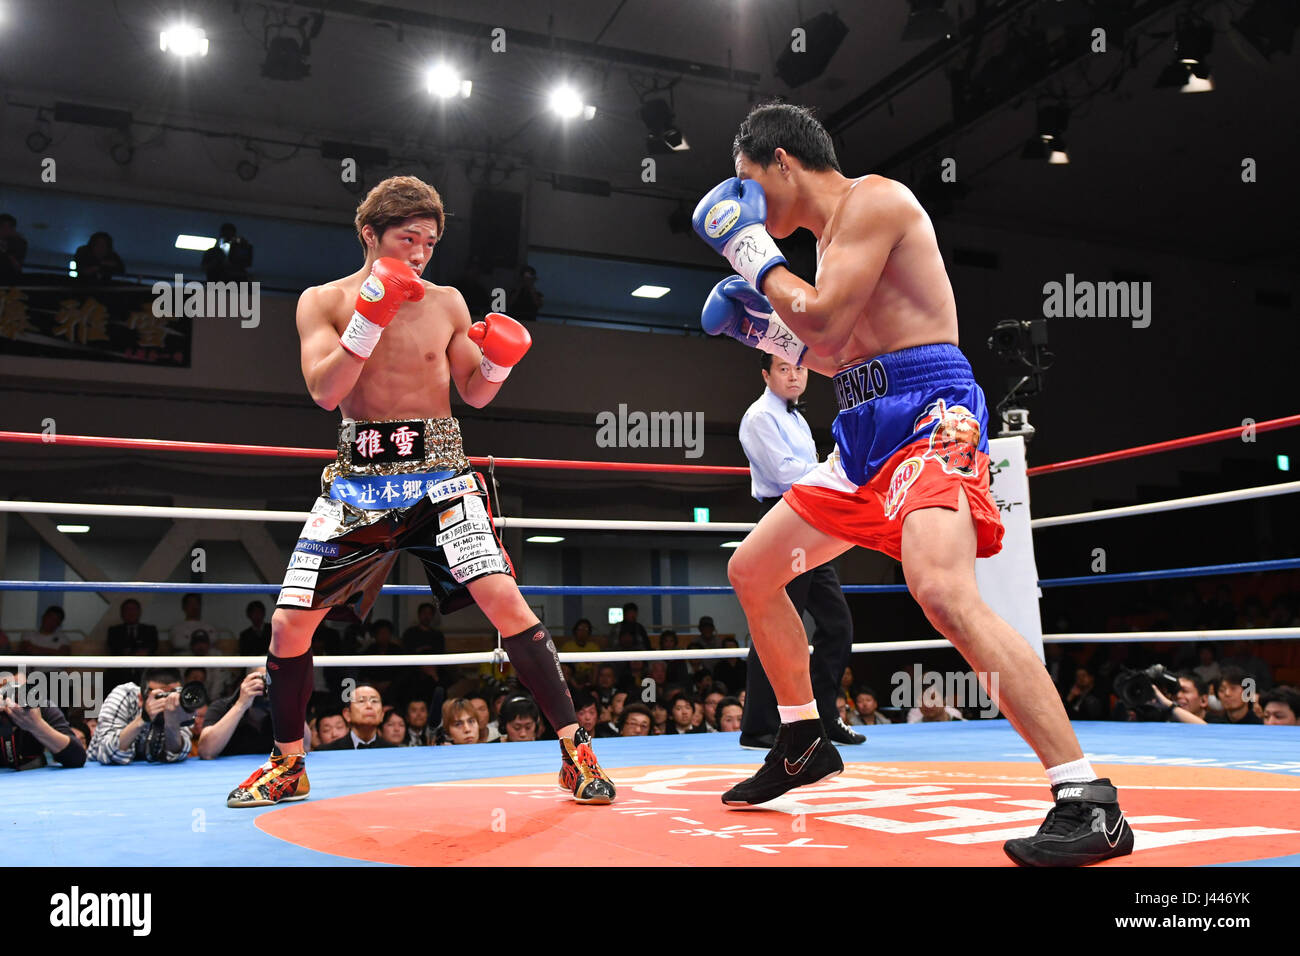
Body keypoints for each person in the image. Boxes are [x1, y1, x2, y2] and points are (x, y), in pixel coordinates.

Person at [691, 101, 1131, 866]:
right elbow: (838, 354)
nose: (742, 201)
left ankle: (1087, 800)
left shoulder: (877, 201)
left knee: (942, 591)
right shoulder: (830, 242)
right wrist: (761, 330)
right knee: (753, 571)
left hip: (932, 414)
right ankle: (801, 738)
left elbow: (824, 324)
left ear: (782, 163)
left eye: (746, 182)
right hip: (862, 430)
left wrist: (750, 254)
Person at [225, 176, 612, 808]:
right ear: (369, 234)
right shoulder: (322, 301)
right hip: (360, 481)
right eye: (409, 239)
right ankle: (288, 764)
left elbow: (475, 393)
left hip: (443, 478)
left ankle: (576, 752)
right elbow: (326, 391)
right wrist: (370, 316)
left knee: (505, 602)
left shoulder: (448, 302)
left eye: (431, 241)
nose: (422, 253)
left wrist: (498, 362)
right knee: (291, 624)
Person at [736, 350, 864, 749]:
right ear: (766, 373)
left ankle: (824, 717)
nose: (794, 376)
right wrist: (835, 468)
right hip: (783, 518)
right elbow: (786, 474)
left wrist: (832, 472)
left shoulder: (797, 417)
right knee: (774, 624)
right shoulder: (760, 417)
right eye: (784, 369)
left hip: (813, 521)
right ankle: (759, 726)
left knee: (837, 624)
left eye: (799, 368)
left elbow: (809, 474)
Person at [88, 668, 194, 764]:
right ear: (141, 698)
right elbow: (107, 752)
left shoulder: (180, 701)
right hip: (100, 773)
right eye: (160, 696)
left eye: (171, 695)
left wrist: (172, 724)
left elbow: (178, 754)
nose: (166, 701)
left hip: (156, 775)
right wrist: (143, 718)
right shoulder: (124, 695)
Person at [0, 672, 86, 770]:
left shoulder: (42, 708)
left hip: (34, 774)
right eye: (6, 689)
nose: (15, 695)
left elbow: (77, 758)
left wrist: (37, 725)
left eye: (22, 688)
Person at [197, 669, 279, 758]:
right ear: (246, 682)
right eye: (263, 679)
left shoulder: (285, 708)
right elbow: (206, 752)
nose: (266, 686)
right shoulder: (222, 707)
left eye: (271, 681)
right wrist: (241, 705)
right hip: (226, 770)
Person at [317, 684, 395, 749]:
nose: (369, 706)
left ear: (382, 715)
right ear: (347, 714)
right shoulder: (326, 751)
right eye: (361, 701)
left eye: (374, 701)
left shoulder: (393, 751)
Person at [0, 213, 28, 282]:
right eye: (2, 227)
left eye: (9, 227)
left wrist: (6, 250)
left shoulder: (19, 243)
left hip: (10, 281)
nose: (5, 230)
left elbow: (17, 267)